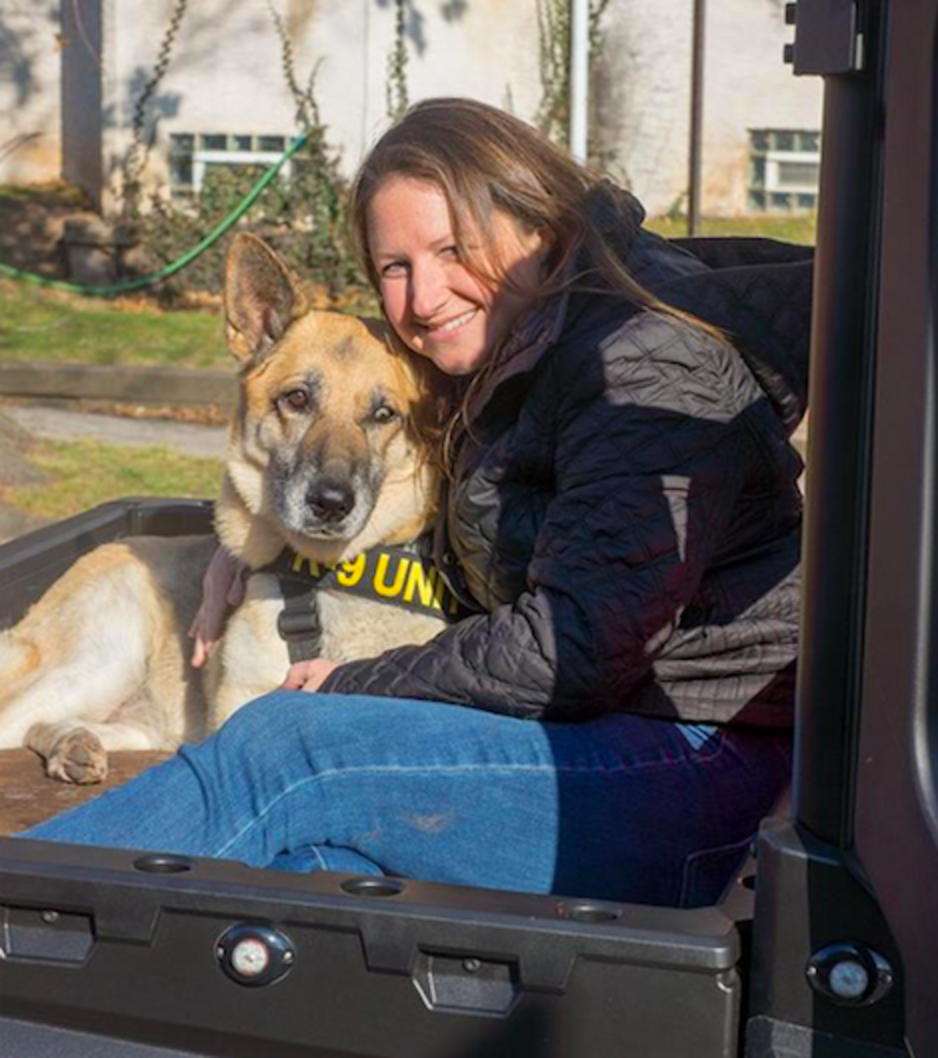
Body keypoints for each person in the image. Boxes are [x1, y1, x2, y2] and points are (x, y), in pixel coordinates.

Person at [23, 98, 809, 908]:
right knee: (305, 869)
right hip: (604, 733)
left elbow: (575, 645)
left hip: (697, 769)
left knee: (288, 747)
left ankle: (21, 901)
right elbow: (438, 512)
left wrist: (353, 684)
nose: (423, 296)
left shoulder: (640, 362)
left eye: (451, 249)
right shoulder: (505, 353)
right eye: (394, 266)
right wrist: (260, 543)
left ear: (535, 226)